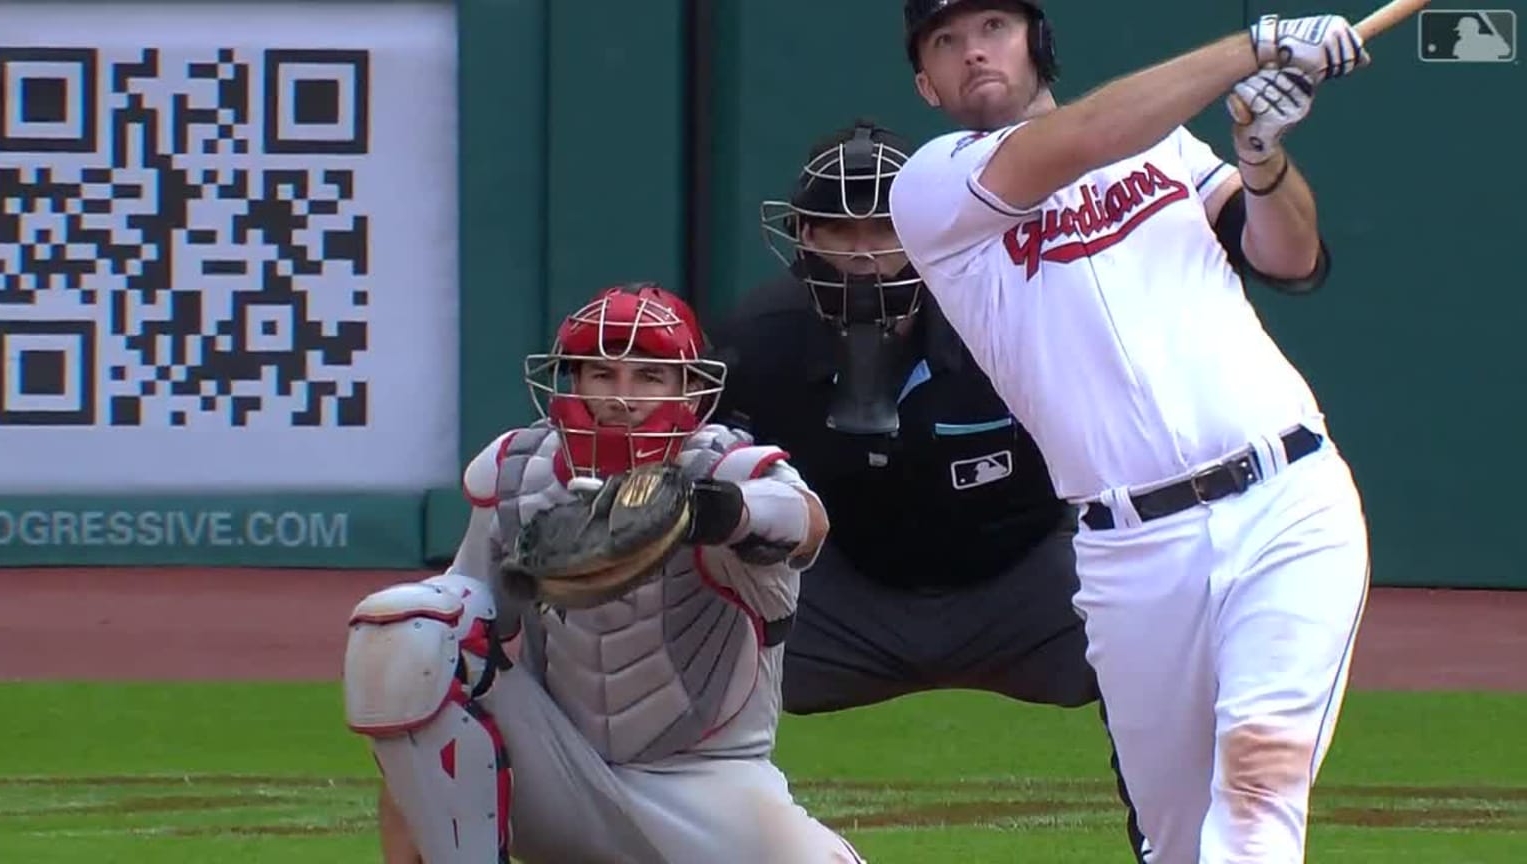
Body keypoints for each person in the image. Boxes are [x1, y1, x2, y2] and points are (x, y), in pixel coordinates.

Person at [887, 1, 1375, 861]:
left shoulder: (1166, 146)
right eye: (946, 42)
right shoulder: (930, 187)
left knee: (1258, 790)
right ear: (926, 84)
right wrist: (1255, 48)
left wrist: (1262, 156)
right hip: (1133, 549)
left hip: (1287, 500)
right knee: (1176, 842)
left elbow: (1289, 258)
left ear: (1036, 39)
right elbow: (1080, 140)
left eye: (993, 27)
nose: (974, 52)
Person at [710, 118, 1145, 861]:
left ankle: (1178, 846)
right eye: (838, 230)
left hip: (1023, 584)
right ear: (803, 237)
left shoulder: (1010, 313)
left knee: (1152, 618)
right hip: (842, 595)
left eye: (884, 228)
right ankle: (708, 839)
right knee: (685, 624)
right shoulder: (759, 337)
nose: (863, 255)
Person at [341, 283, 864, 864]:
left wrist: (708, 512)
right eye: (601, 373)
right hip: (560, 769)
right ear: (573, 380)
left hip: (709, 785)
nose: (621, 396)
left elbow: (805, 520)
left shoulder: (727, 468)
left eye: (649, 376)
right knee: (407, 630)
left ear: (689, 388)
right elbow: (457, 621)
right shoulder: (522, 473)